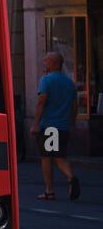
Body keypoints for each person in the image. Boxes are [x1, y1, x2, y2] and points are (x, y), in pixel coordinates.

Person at [35, 51, 81, 201]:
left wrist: (35, 124)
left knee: (48, 157)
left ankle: (53, 188)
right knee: (59, 155)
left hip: (49, 126)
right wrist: (72, 124)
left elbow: (42, 102)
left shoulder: (46, 80)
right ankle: (68, 180)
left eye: (46, 61)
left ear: (54, 63)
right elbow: (75, 106)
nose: (44, 63)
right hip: (63, 126)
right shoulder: (69, 83)